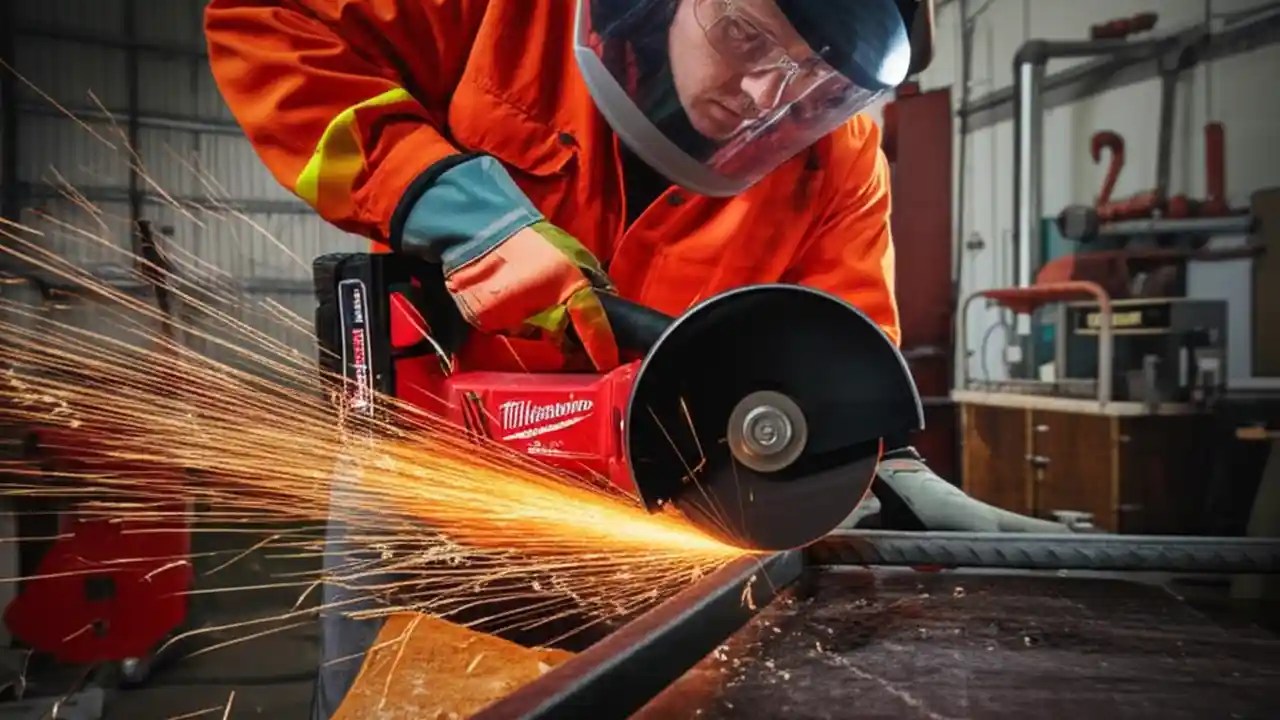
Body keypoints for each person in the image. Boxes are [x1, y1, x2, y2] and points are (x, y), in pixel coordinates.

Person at [204, 1, 1065, 716]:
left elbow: (839, 354)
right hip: (435, 480)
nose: (766, 94)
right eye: (743, 36)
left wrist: (888, 464)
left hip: (663, 527)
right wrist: (443, 200)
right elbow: (271, 25)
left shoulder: (835, 161)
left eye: (810, 79)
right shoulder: (512, 16)